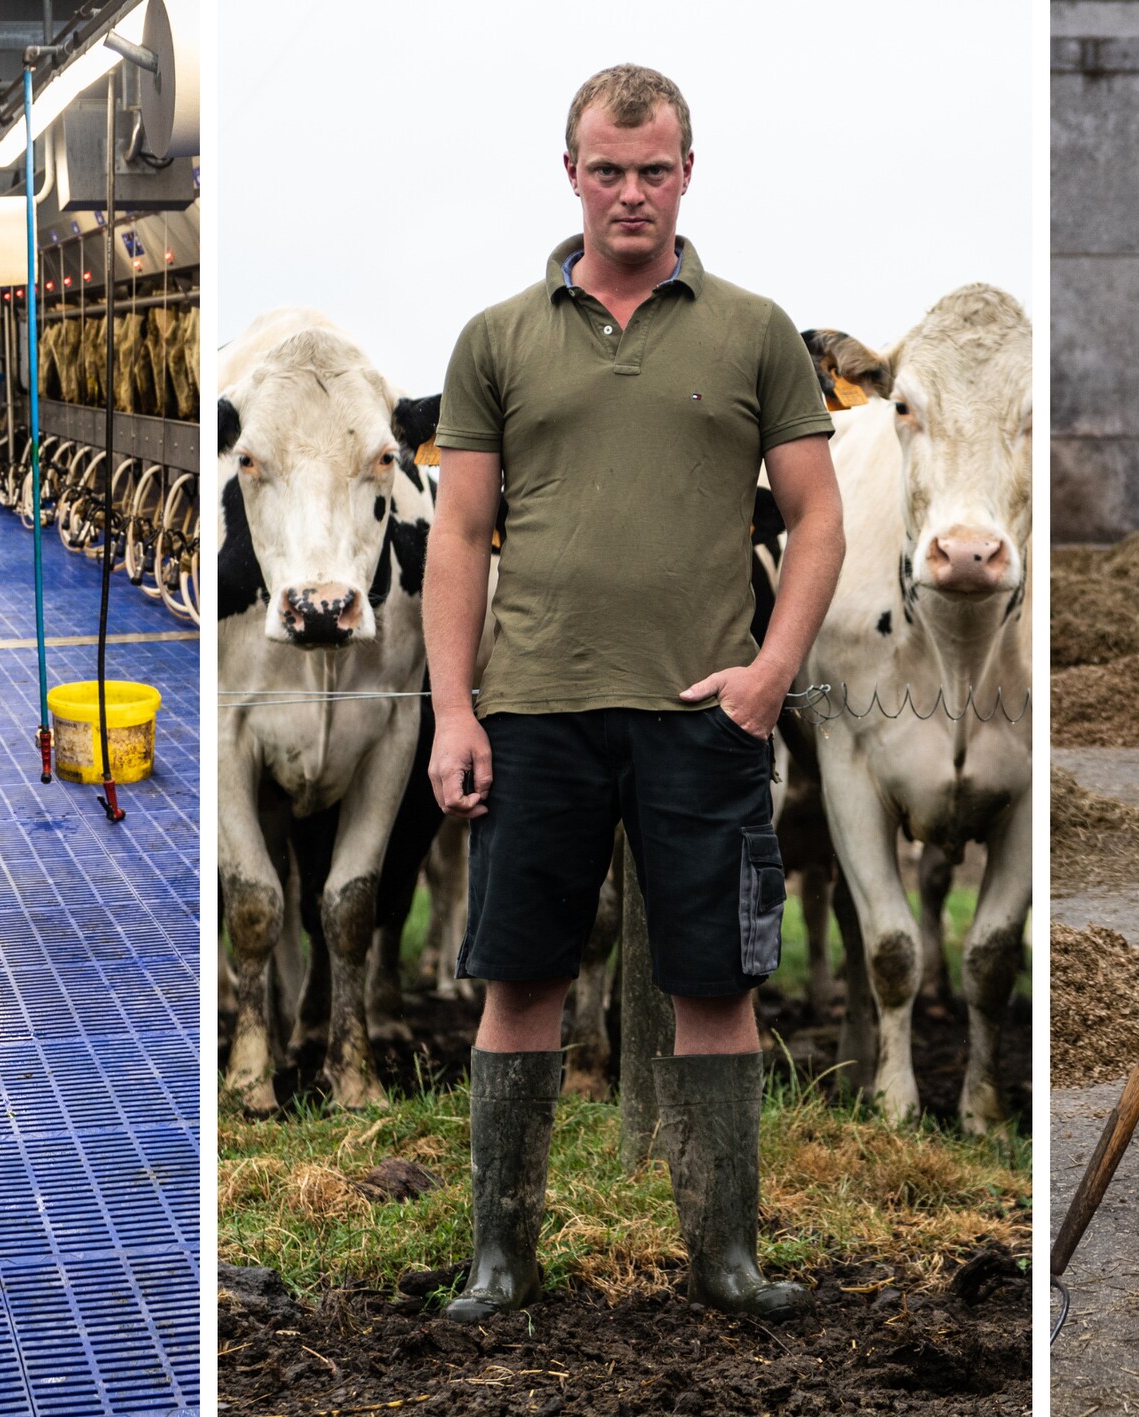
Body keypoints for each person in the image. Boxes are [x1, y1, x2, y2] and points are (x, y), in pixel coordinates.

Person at [422, 63, 845, 1323]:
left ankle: (723, 1255)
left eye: (651, 169)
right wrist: (454, 707)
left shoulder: (755, 329)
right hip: (536, 709)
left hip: (702, 712)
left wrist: (770, 675)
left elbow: (818, 519)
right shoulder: (496, 337)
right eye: (605, 169)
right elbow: (456, 537)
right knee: (522, 979)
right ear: (569, 174)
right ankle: (502, 1257)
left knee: (715, 982)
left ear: (686, 173)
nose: (629, 193)